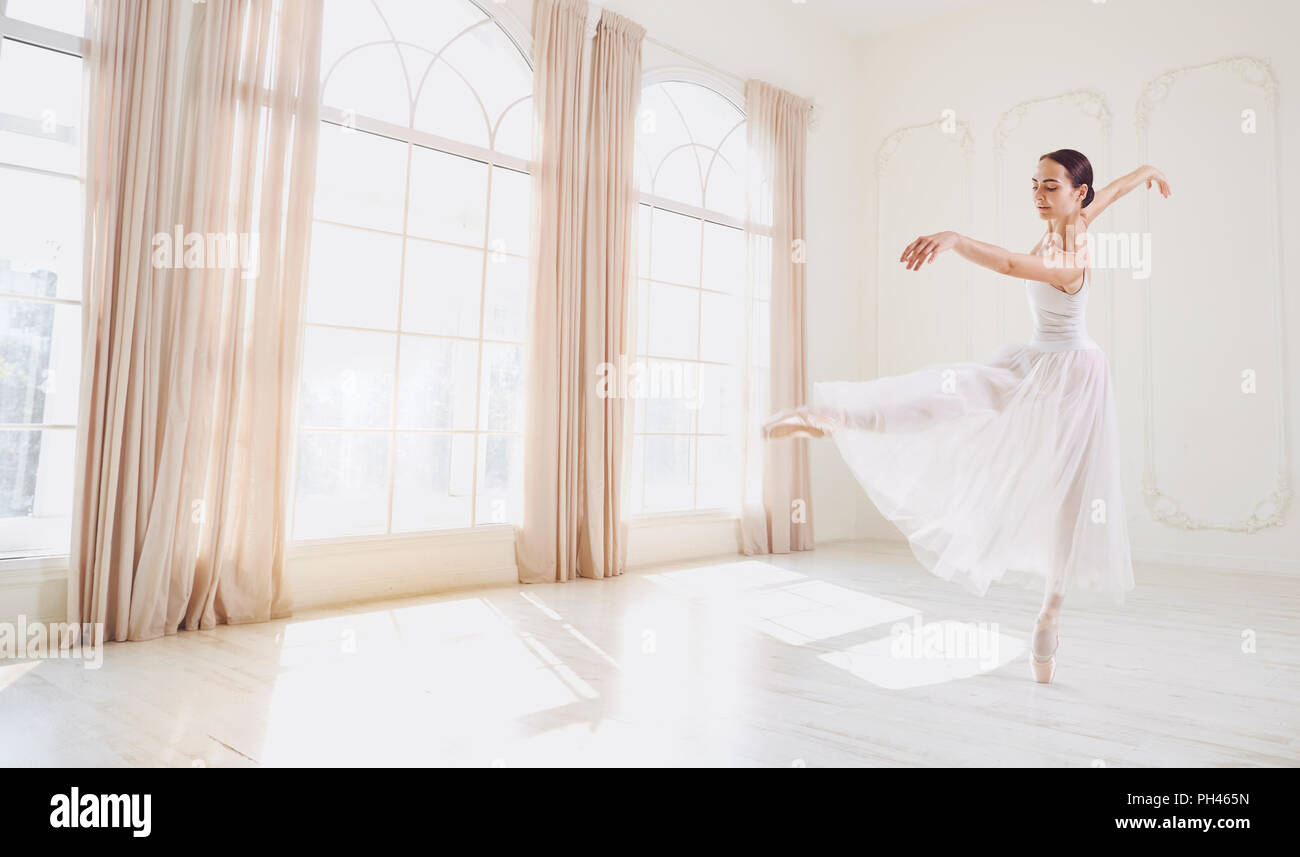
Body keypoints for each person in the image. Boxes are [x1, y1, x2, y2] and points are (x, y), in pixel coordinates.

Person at [764, 150, 1172, 684]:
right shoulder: (1077, 219)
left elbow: (1006, 263)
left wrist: (954, 238)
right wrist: (1147, 173)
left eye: (1050, 186)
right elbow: (1114, 190)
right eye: (1035, 185)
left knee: (1070, 497)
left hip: (1075, 375)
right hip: (1034, 359)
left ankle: (1049, 615)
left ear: (1078, 193)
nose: (1038, 195)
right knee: (950, 394)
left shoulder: (1071, 256)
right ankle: (833, 416)